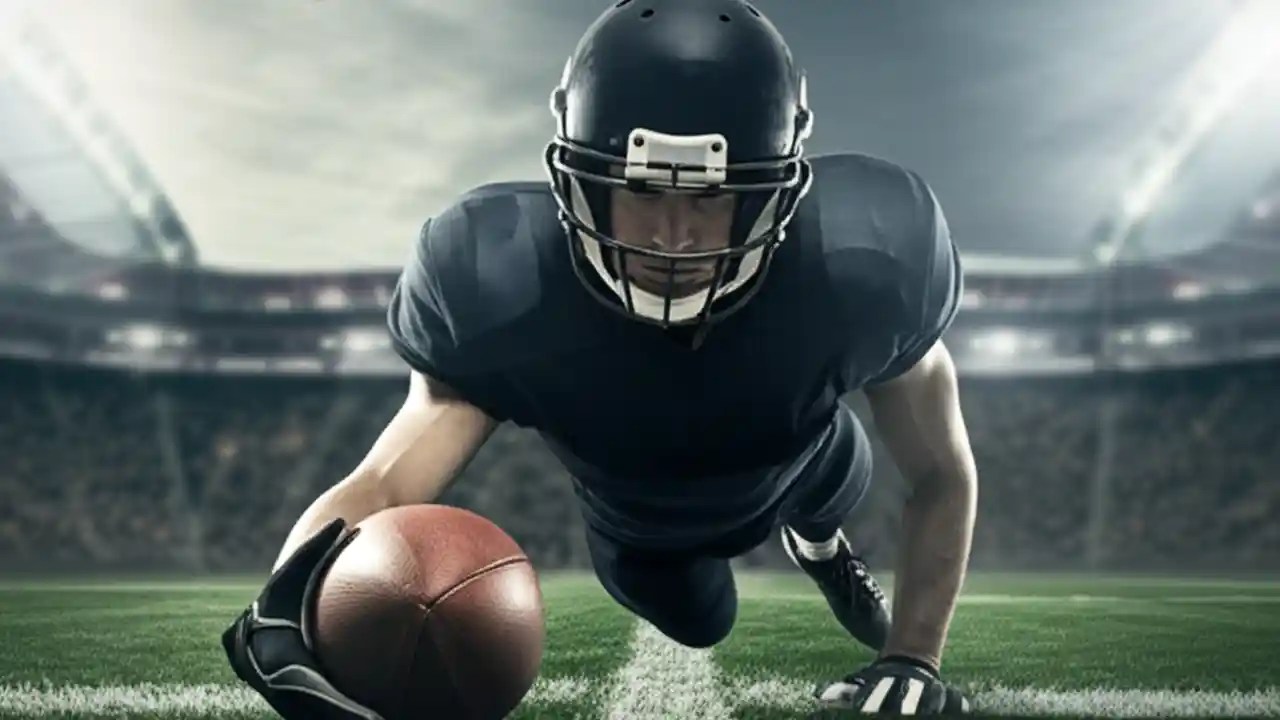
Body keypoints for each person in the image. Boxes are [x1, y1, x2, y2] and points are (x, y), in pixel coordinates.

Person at [223, 0, 976, 715]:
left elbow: (941, 468)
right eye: (642, 190)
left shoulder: (869, 257)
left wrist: (914, 656)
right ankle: (796, 540)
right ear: (579, 180)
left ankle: (819, 543)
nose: (673, 236)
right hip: (642, 530)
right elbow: (386, 483)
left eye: (710, 198)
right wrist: (285, 604)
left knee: (834, 476)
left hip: (807, 454)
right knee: (699, 622)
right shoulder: (496, 278)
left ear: (771, 195)